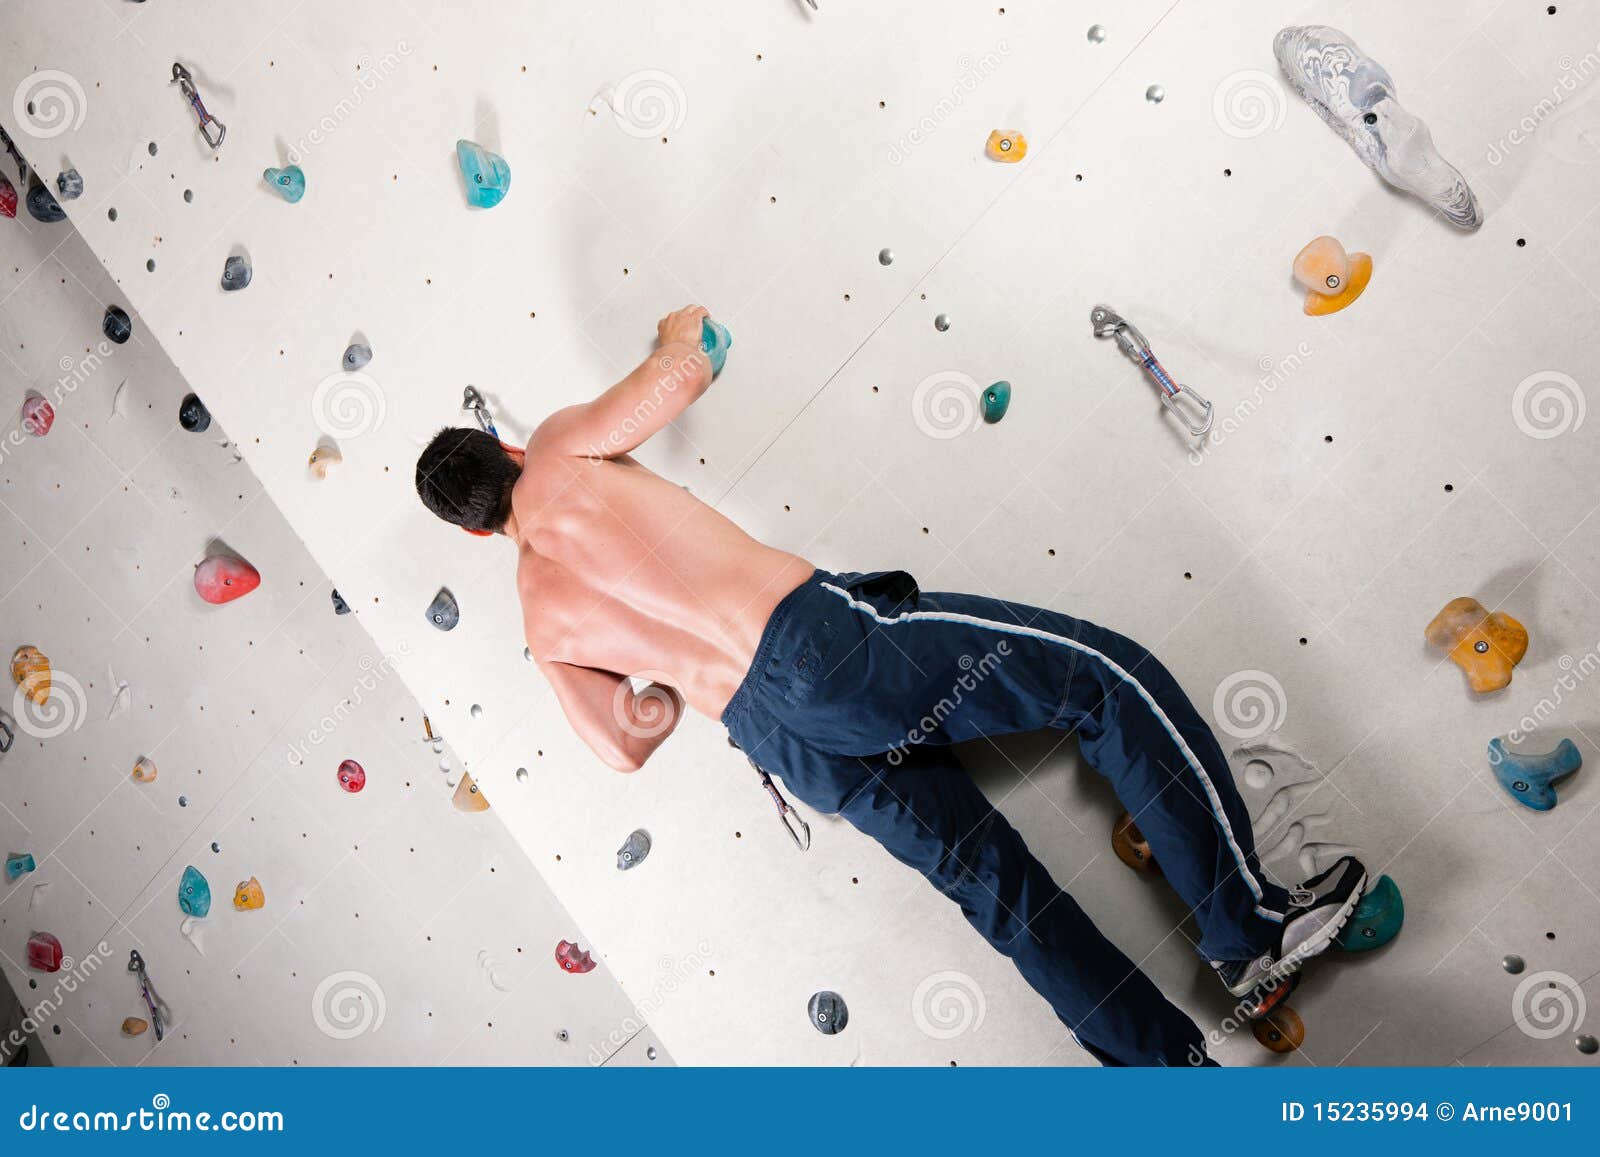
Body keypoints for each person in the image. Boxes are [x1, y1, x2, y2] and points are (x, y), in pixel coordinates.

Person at [414, 304, 1368, 1066]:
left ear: (469, 532)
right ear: (502, 454)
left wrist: (655, 684)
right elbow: (685, 367)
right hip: (818, 648)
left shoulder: (542, 622)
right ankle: (1247, 930)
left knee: (1001, 892)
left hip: (778, 741)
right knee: (1104, 682)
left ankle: (1167, 1076)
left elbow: (626, 739)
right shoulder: (555, 452)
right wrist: (676, 327)